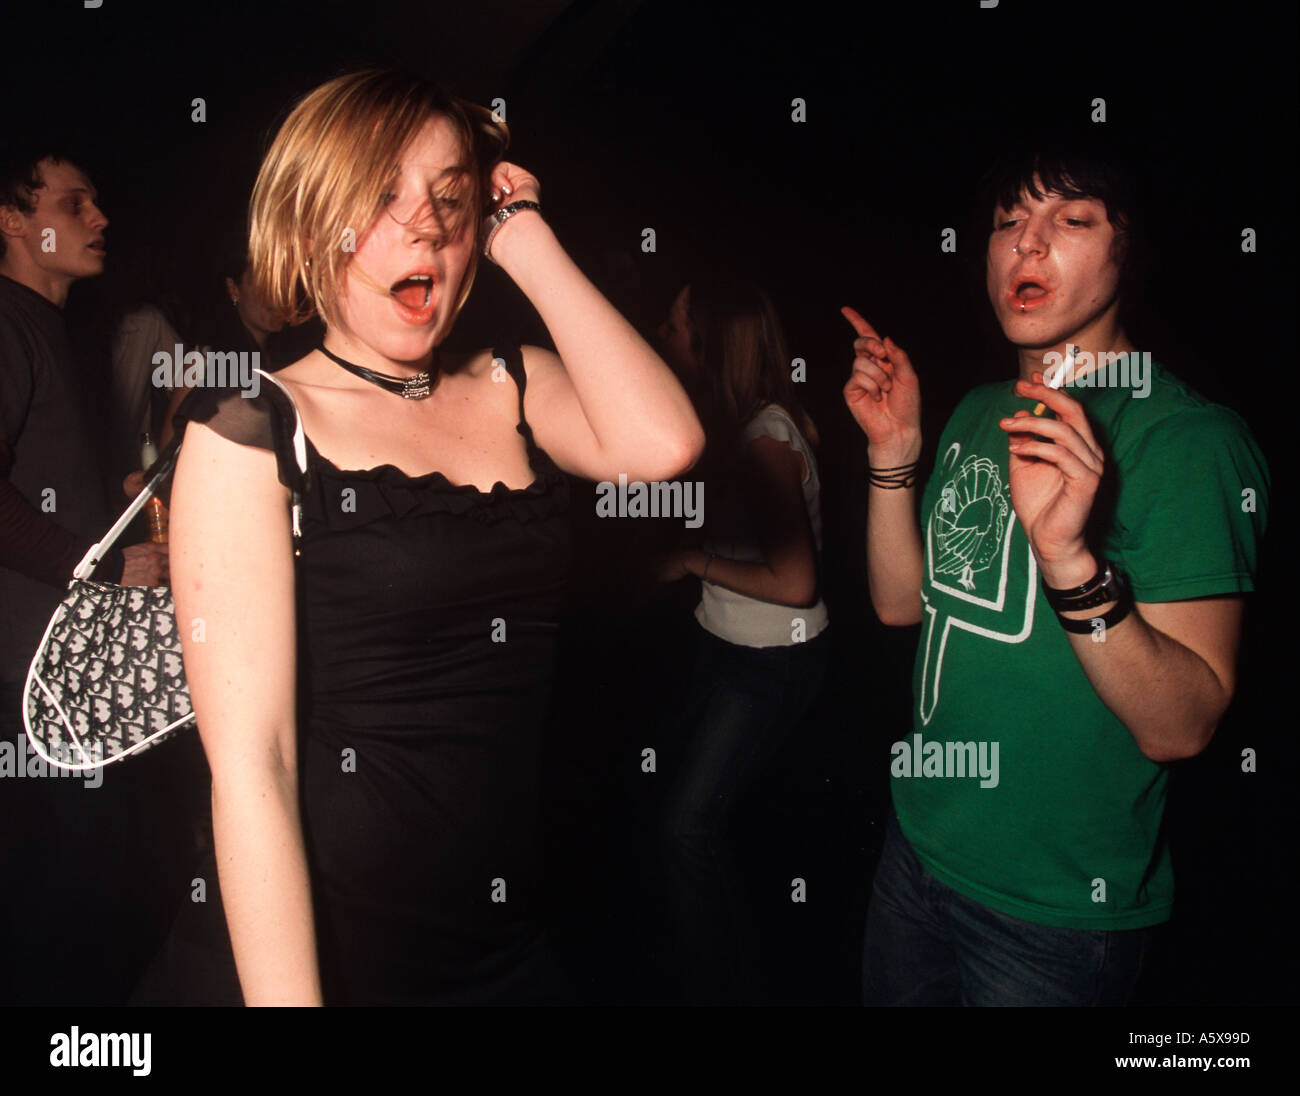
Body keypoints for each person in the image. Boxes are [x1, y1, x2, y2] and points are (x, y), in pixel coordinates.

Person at [134, 69, 703, 1006]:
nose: (428, 224)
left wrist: (520, 230)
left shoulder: (513, 381)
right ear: (315, 229)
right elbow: (254, 769)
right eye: (382, 196)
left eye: (449, 196)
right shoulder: (253, 425)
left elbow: (663, 444)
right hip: (325, 955)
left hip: (501, 943)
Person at [843, 142, 1269, 1006]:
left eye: (1071, 221)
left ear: (1129, 253)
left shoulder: (1187, 439)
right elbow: (898, 605)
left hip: (1056, 915)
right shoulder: (978, 407)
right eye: (1007, 224)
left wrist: (1069, 562)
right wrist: (895, 456)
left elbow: (1183, 727)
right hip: (917, 848)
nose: (1025, 246)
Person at [0, 147, 168, 1002]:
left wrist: (128, 501)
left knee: (96, 887)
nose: (100, 217)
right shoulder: (5, 321)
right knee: (68, 900)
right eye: (75, 201)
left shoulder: (56, 332)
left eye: (99, 200)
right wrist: (90, 565)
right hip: (31, 683)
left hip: (72, 674)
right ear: (15, 221)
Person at [654, 277, 830, 1003]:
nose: (665, 336)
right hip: (733, 647)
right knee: (695, 816)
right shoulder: (750, 425)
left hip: (768, 662)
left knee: (685, 832)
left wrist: (692, 561)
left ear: (712, 342)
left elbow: (796, 583)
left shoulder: (763, 438)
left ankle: (724, 986)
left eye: (675, 325)